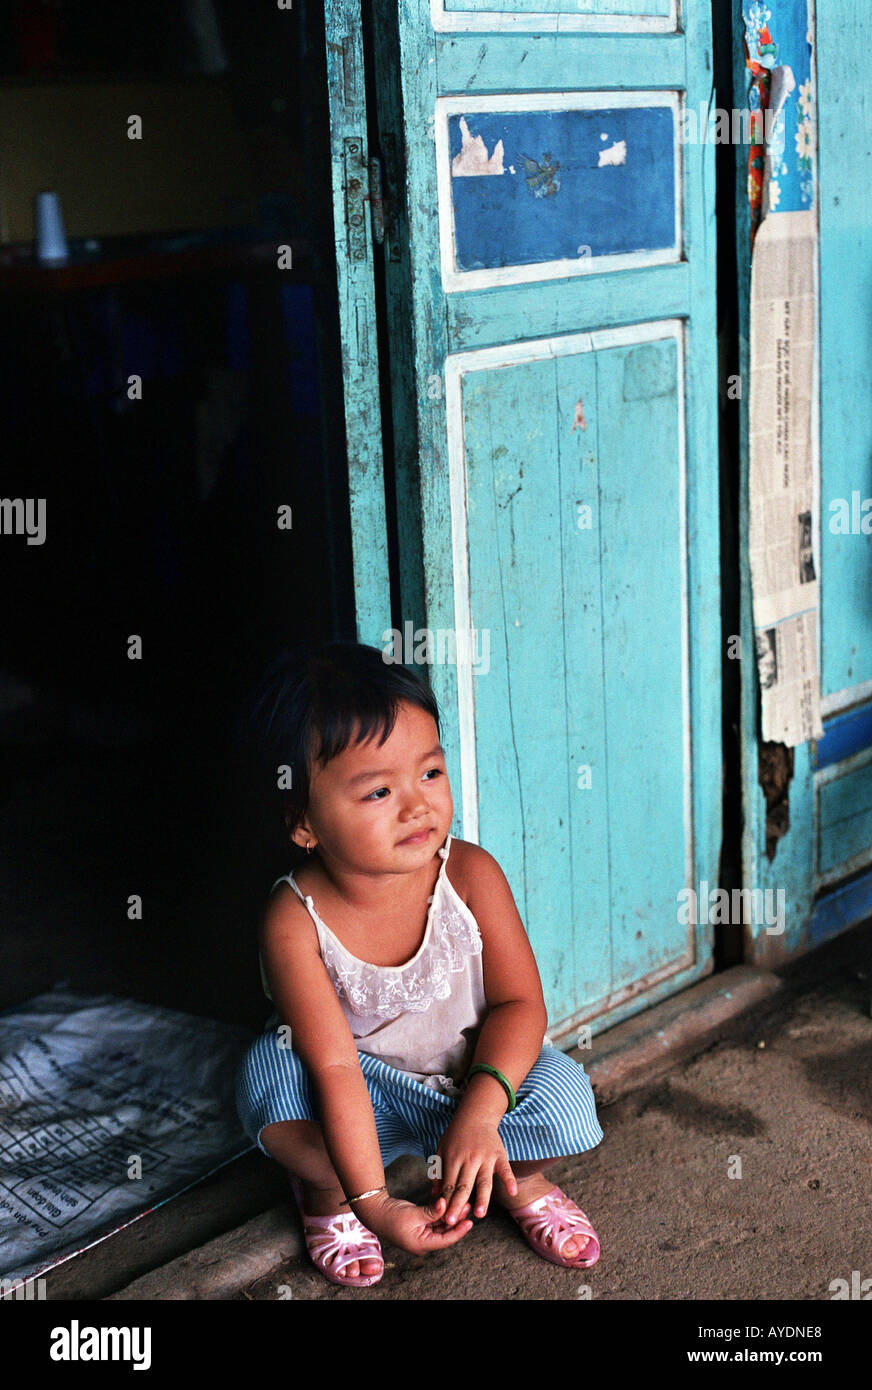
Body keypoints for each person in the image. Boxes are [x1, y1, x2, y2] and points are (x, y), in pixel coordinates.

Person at [235, 641, 603, 1288]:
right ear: (304, 824)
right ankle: (330, 1198)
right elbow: (335, 1066)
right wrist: (374, 1205)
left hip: (467, 1076)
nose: (417, 805)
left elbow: (521, 1006)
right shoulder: (294, 920)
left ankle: (517, 1175)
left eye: (430, 773)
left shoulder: (470, 873)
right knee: (273, 1089)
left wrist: (482, 1112)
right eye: (378, 790)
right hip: (359, 1093)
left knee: (569, 1107)